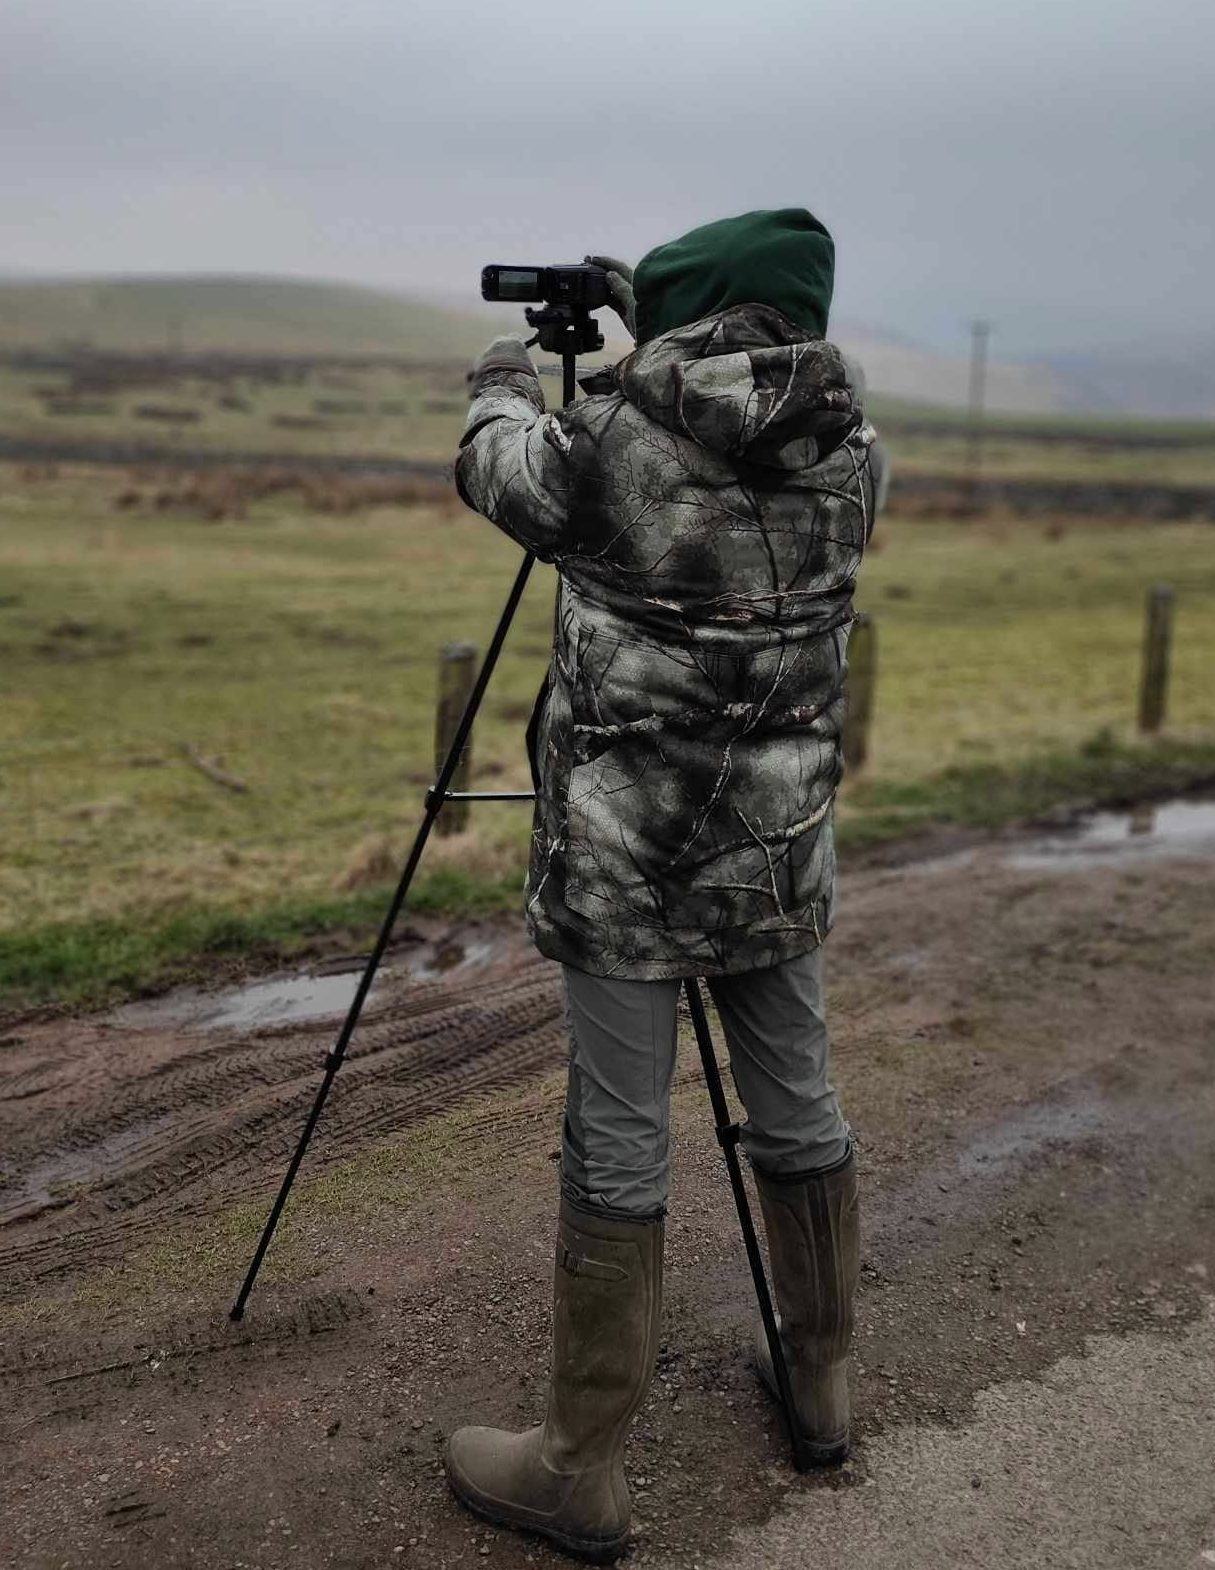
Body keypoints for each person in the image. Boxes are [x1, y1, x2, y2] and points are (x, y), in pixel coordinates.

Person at [445, 208, 878, 1562]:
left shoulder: (616, 444)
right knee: (796, 1092)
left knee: (619, 1131)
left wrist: (506, 378)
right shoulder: (857, 451)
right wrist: (663, 325)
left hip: (633, 857)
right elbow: (735, 412)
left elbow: (498, 470)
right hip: (773, 844)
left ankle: (581, 1465)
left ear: (696, 317)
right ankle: (821, 1384)